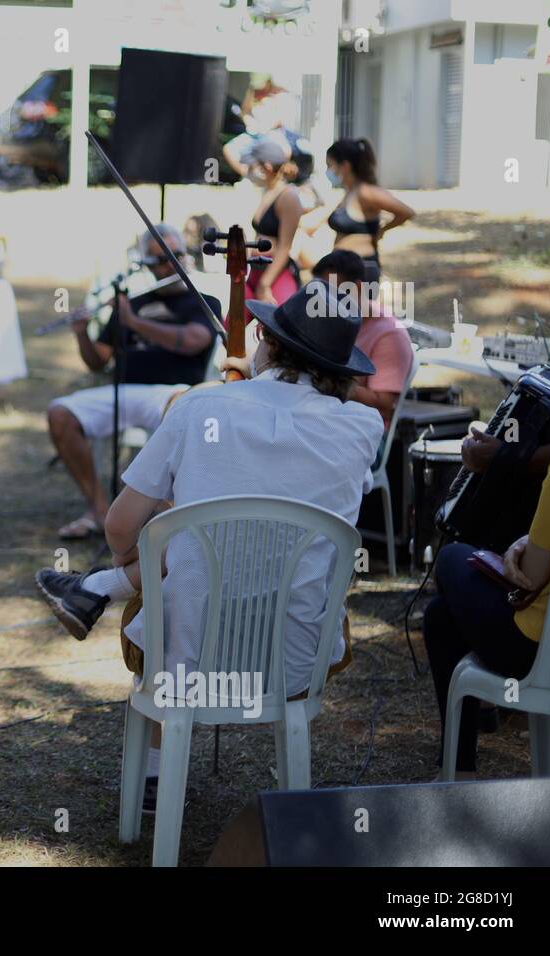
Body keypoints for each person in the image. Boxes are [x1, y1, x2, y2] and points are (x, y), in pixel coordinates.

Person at [36, 281, 382, 803]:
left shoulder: (199, 408)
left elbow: (119, 527)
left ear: (265, 337)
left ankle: (154, 772)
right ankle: (108, 586)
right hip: (295, 656)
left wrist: (139, 562)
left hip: (191, 655)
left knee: (176, 558)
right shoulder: (363, 424)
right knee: (216, 541)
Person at [46, 225, 220, 540]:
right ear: (147, 265)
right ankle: (99, 510)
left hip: (175, 394)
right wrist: (82, 332)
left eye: (176, 255)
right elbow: (98, 360)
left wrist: (136, 323)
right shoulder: (132, 301)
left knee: (180, 408)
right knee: (61, 412)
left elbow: (193, 342)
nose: (170, 264)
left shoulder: (202, 301)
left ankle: (161, 516)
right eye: (159, 260)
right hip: (125, 390)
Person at [422, 454, 550, 778]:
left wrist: (520, 548)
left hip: (536, 652)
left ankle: (462, 762)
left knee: (450, 556)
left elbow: (526, 579)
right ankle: (458, 768)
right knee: (440, 617)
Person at [309, 249, 412, 430]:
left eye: (330, 291)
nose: (322, 300)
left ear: (356, 288)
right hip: (327, 419)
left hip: (362, 432)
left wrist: (329, 381)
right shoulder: (329, 318)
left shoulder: (389, 335)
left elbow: (384, 406)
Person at [322, 137, 414, 282]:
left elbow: (406, 212)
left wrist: (382, 230)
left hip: (360, 269)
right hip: (341, 269)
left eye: (330, 165)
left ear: (345, 166)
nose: (328, 171)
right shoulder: (349, 192)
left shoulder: (366, 192)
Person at [245, 136, 304, 306]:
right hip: (255, 272)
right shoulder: (268, 191)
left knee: (277, 328)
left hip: (274, 275)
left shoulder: (288, 197)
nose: (249, 169)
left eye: (253, 165)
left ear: (267, 167)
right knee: (231, 327)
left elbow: (285, 247)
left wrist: (265, 284)